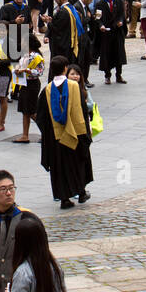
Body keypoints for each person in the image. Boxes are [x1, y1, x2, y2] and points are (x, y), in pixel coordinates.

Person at [36, 56, 91, 208]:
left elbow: (40, 117)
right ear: (65, 68)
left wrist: (48, 132)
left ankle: (64, 199)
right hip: (76, 132)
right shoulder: (74, 86)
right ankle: (81, 193)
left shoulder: (46, 90)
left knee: (60, 168)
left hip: (56, 136)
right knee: (77, 163)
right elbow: (82, 108)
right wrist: (86, 131)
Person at [96, 0, 128, 85]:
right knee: (106, 55)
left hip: (117, 32)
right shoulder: (100, 3)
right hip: (106, 32)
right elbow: (97, 18)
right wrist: (101, 25)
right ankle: (107, 75)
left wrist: (121, 22)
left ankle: (119, 75)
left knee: (118, 54)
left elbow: (122, 15)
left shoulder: (118, 1)